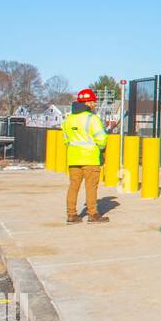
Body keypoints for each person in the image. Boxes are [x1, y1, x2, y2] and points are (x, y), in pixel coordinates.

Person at [63, 88, 109, 224]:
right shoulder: (92, 119)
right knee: (91, 187)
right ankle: (93, 214)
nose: (95, 104)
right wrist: (101, 150)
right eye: (94, 101)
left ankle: (71, 215)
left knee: (73, 186)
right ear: (88, 103)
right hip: (90, 158)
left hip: (73, 158)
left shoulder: (68, 120)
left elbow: (66, 140)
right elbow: (101, 139)